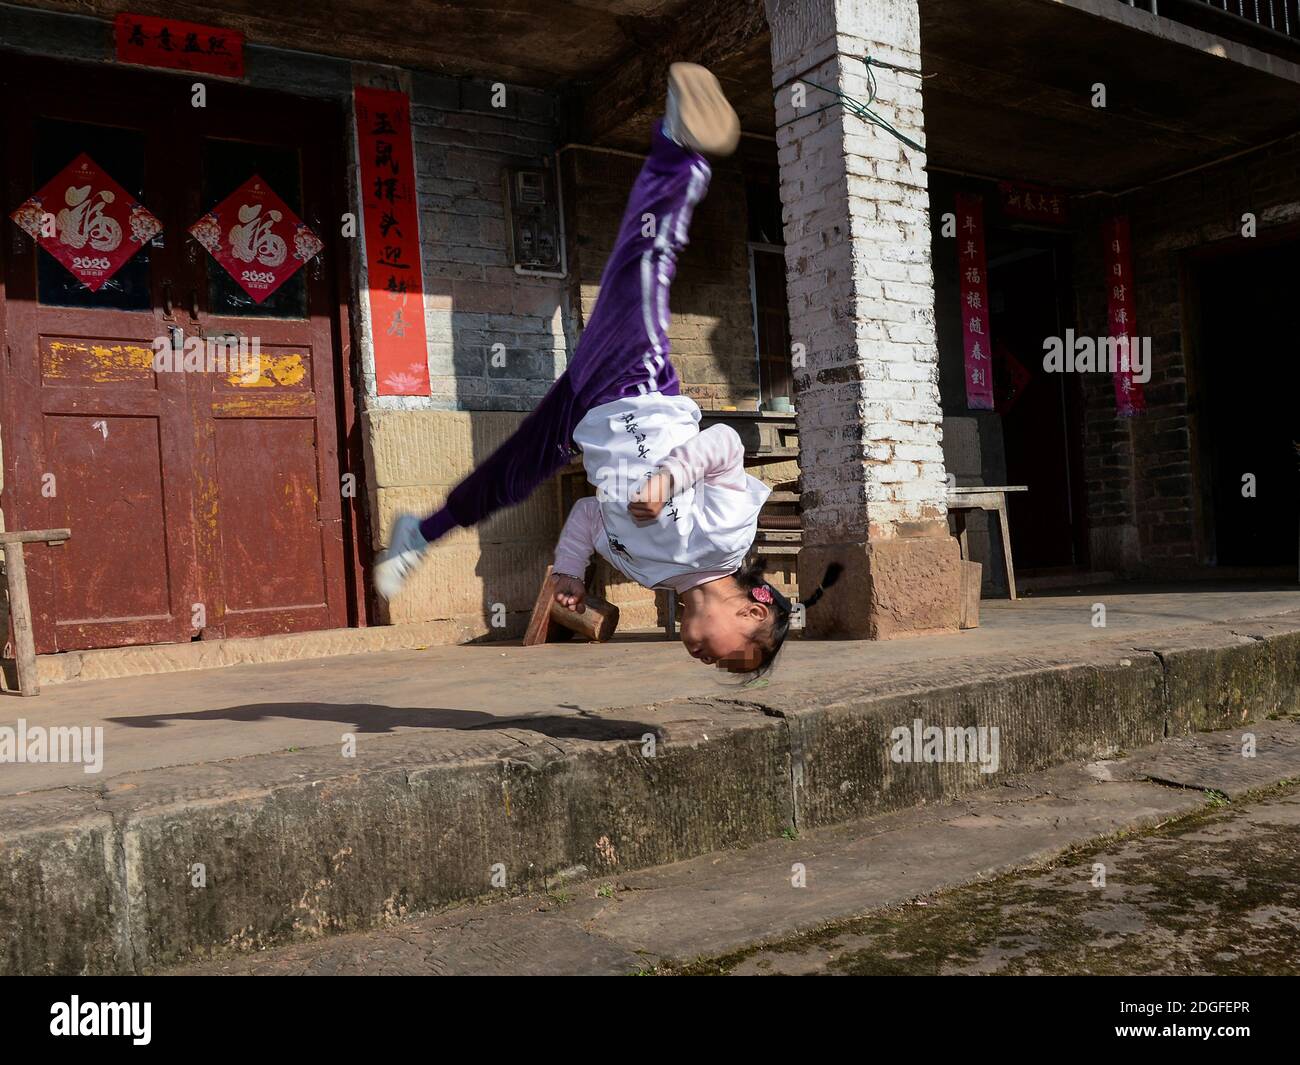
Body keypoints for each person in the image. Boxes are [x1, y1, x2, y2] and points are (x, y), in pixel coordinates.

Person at [375, 64, 837, 675]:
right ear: (753, 612)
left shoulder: (647, 572)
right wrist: (671, 480)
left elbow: (592, 514)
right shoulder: (727, 538)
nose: (713, 662)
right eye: (736, 660)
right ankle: (680, 150)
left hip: (584, 418)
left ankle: (421, 532)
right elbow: (725, 444)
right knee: (644, 265)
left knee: (511, 476)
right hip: (636, 386)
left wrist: (568, 570)